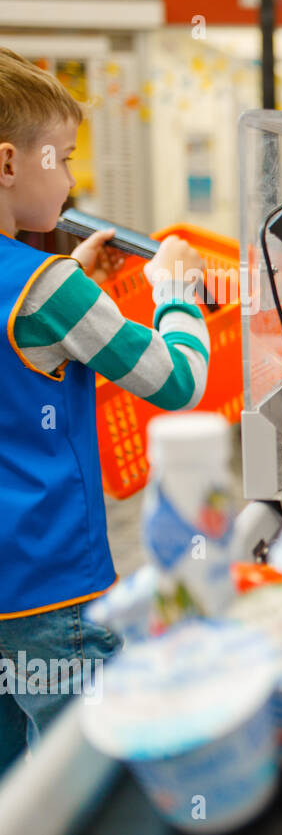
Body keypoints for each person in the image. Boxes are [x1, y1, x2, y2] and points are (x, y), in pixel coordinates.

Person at [0, 47, 211, 774]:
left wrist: (77, 284)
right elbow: (177, 379)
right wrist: (177, 291)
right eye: (60, 159)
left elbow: (26, 342)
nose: (71, 179)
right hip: (52, 592)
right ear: (7, 165)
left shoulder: (47, 288)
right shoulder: (50, 288)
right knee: (93, 779)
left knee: (19, 789)